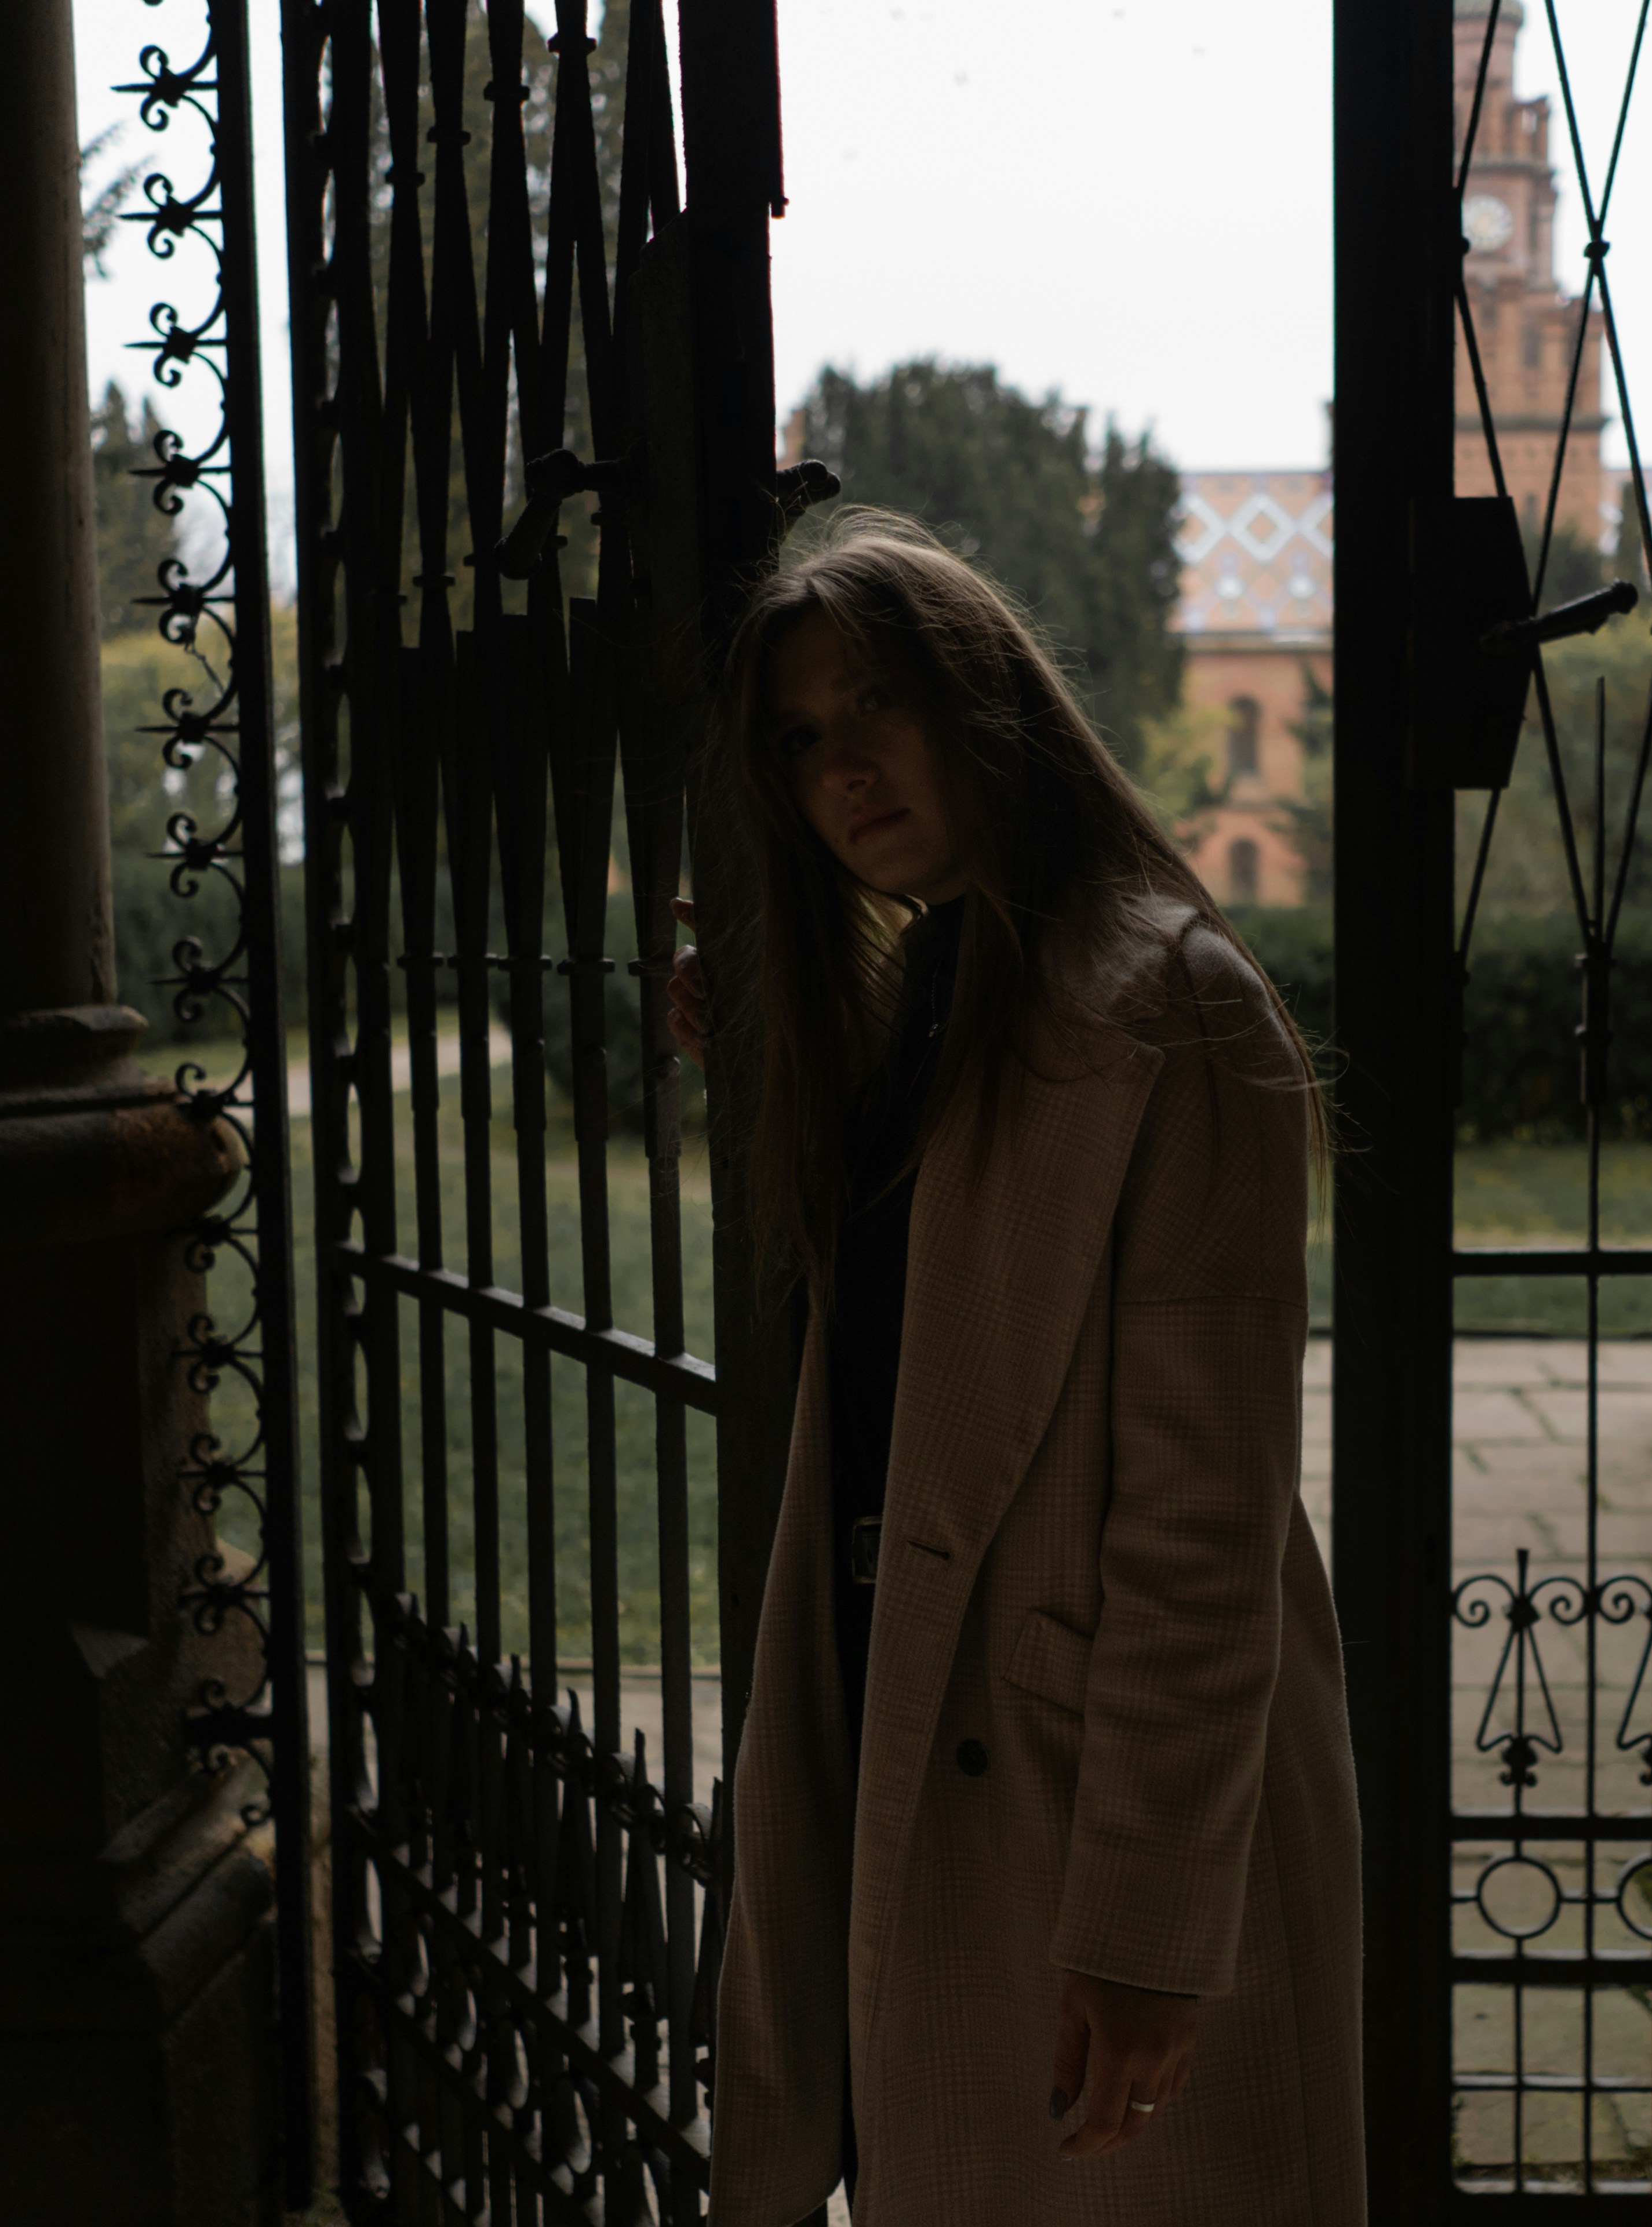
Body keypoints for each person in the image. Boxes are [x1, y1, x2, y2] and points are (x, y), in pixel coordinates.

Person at [669, 511, 1363, 2225]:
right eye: (801, 738)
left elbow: (1204, 1522)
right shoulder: (945, 978)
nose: (844, 766)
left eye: (876, 704)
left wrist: (1142, 1927)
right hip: (924, 1712)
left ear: (987, 701)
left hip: (1074, 1800)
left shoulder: (1161, 1005)